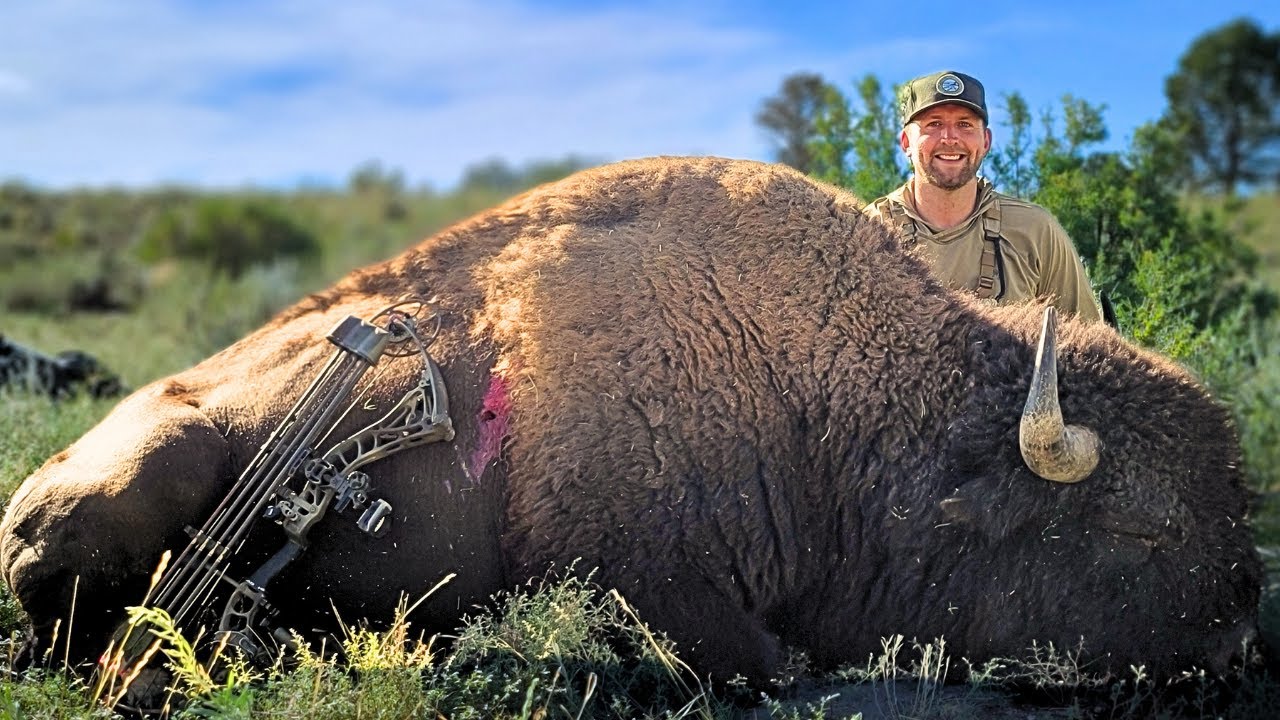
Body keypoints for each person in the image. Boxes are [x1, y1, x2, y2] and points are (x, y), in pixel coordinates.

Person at [863, 70, 1103, 323]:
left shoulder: (1035, 230)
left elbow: (1088, 338)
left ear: (986, 141)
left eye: (964, 124)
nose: (950, 138)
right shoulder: (868, 232)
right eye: (934, 124)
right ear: (906, 142)